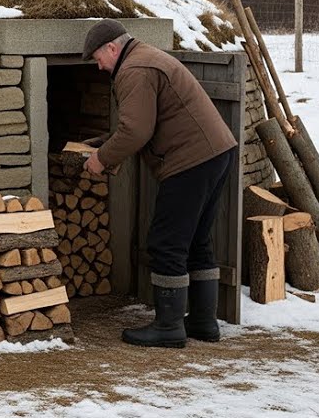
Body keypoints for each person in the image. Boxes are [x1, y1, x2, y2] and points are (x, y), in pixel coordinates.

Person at [79, 19, 238, 348]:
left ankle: (168, 327)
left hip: (190, 160)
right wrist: (106, 142)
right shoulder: (146, 57)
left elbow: (136, 131)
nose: (98, 67)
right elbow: (144, 123)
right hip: (216, 152)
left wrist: (101, 159)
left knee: (167, 243)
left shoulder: (134, 69)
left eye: (98, 58)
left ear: (112, 47)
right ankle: (203, 323)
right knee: (196, 241)